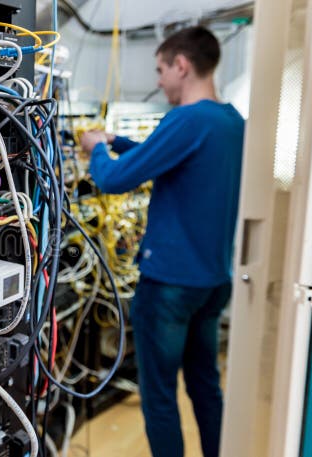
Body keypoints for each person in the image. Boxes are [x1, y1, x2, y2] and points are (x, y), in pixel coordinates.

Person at [79, 26, 245, 457]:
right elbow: (171, 158)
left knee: (159, 397)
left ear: (182, 66)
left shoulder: (187, 119)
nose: (158, 81)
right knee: (206, 386)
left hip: (169, 284)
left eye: (160, 70)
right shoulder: (230, 122)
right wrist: (119, 141)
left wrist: (98, 147)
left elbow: (114, 178)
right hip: (212, 283)